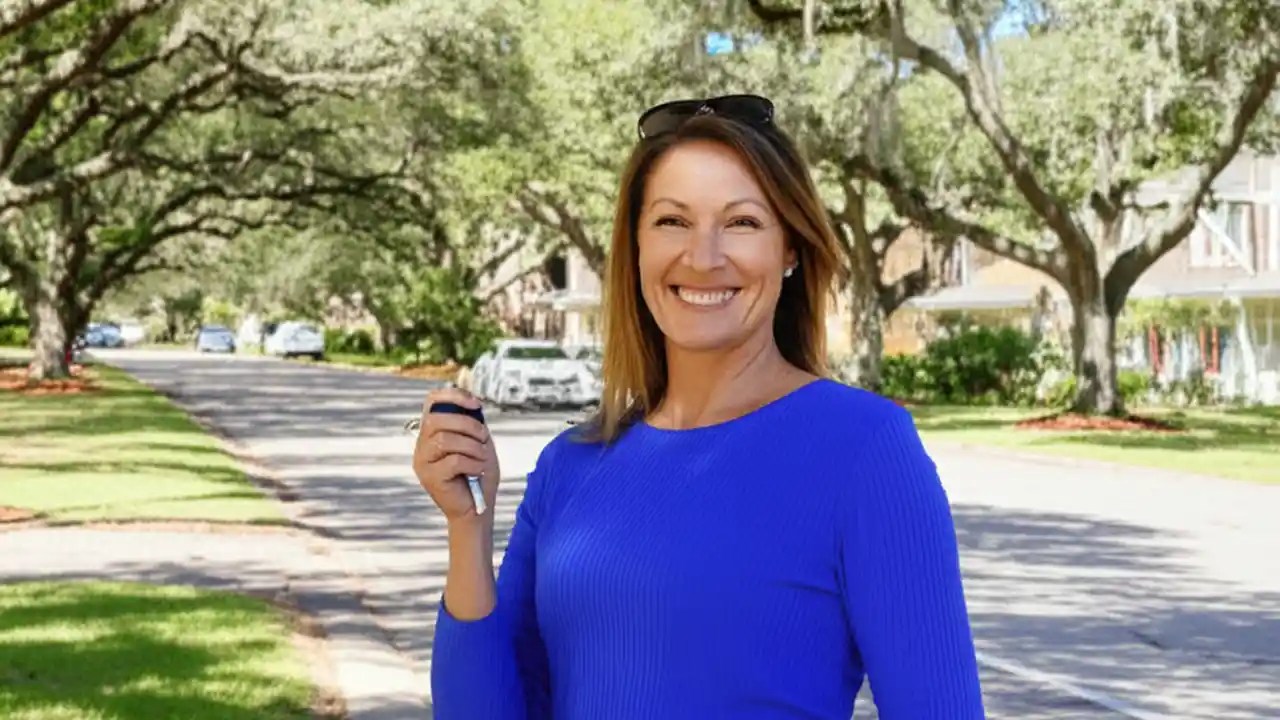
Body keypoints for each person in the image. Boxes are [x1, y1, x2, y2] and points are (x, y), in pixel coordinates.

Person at [414, 94, 985, 719]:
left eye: (741, 222)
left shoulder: (864, 450)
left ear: (789, 249)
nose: (704, 256)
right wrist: (467, 528)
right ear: (635, 250)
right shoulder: (570, 466)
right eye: (671, 222)